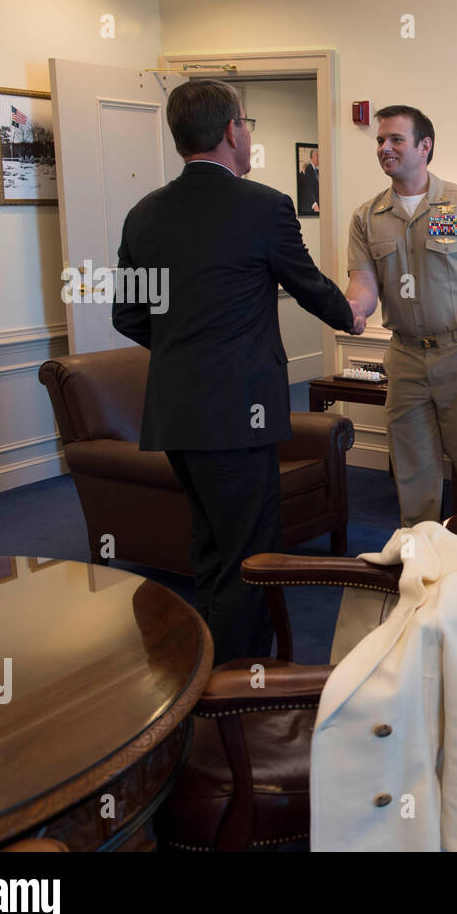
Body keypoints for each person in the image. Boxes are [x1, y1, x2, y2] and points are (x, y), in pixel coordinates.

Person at [113, 79, 355, 664]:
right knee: (251, 556)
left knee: (211, 546)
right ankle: (234, 689)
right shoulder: (264, 206)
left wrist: (183, 350)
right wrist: (351, 316)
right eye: (246, 125)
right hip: (237, 416)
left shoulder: (143, 214)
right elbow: (309, 285)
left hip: (176, 414)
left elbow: (127, 315)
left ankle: (204, 673)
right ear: (231, 132)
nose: (248, 136)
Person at [344, 105, 457, 527]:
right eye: (380, 141)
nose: (384, 148)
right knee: (413, 469)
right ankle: (423, 561)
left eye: (395, 139)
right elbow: (363, 284)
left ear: (425, 146)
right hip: (404, 359)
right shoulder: (366, 217)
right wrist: (353, 309)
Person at [299, 147, 320, 214]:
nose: (319, 158)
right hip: (312, 207)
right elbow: (309, 188)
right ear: (313, 156)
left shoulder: (317, 171)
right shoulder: (309, 168)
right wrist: (314, 204)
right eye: (318, 156)